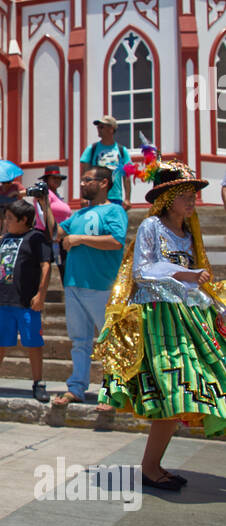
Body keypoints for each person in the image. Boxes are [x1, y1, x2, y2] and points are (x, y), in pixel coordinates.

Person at [95, 159, 226, 487]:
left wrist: (214, 304)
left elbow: (196, 281)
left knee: (190, 390)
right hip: (159, 318)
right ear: (167, 199)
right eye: (185, 195)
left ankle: (153, 466)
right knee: (174, 391)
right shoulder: (152, 228)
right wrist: (184, 273)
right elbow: (142, 271)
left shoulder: (187, 233)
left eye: (193, 196)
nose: (192, 201)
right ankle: (151, 468)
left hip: (190, 317)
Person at [38, 166, 128, 405]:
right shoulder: (77, 216)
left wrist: (80, 239)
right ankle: (76, 387)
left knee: (109, 340)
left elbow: (116, 241)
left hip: (102, 285)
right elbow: (56, 232)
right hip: (74, 283)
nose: (81, 185)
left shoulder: (114, 211)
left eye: (87, 180)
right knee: (80, 341)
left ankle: (112, 392)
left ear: (104, 183)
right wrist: (45, 203)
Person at [0, 198, 52, 402]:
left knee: (33, 343)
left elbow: (46, 266)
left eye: (10, 218)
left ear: (24, 220)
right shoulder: (5, 239)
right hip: (4, 301)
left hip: (27, 302)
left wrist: (41, 294)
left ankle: (38, 383)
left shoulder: (37, 238)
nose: (6, 222)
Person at [81, 116, 131, 208]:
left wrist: (127, 198)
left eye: (102, 127)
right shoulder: (91, 149)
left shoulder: (122, 150)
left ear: (111, 129)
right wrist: (84, 197)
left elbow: (126, 176)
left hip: (115, 197)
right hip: (96, 197)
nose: (98, 129)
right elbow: (84, 175)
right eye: (98, 127)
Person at [33, 166, 72, 282]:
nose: (57, 180)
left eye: (59, 178)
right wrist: (52, 232)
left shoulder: (57, 195)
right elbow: (41, 213)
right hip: (48, 235)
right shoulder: (45, 193)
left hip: (61, 235)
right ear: (47, 179)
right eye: (53, 178)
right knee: (45, 266)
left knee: (65, 266)